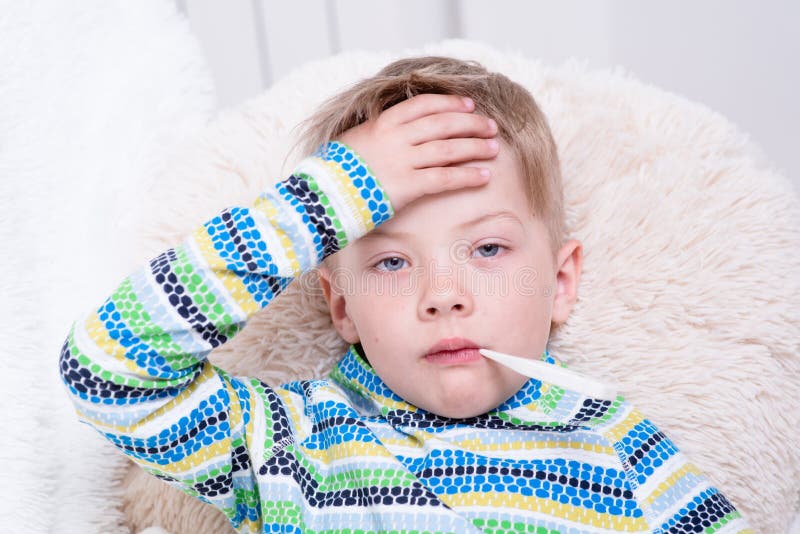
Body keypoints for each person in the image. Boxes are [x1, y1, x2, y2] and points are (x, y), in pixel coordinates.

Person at [58, 56, 752, 533]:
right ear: (340, 306)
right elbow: (108, 371)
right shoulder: (293, 446)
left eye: (487, 250)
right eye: (391, 262)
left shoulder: (615, 441)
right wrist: (329, 200)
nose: (443, 295)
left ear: (560, 283)